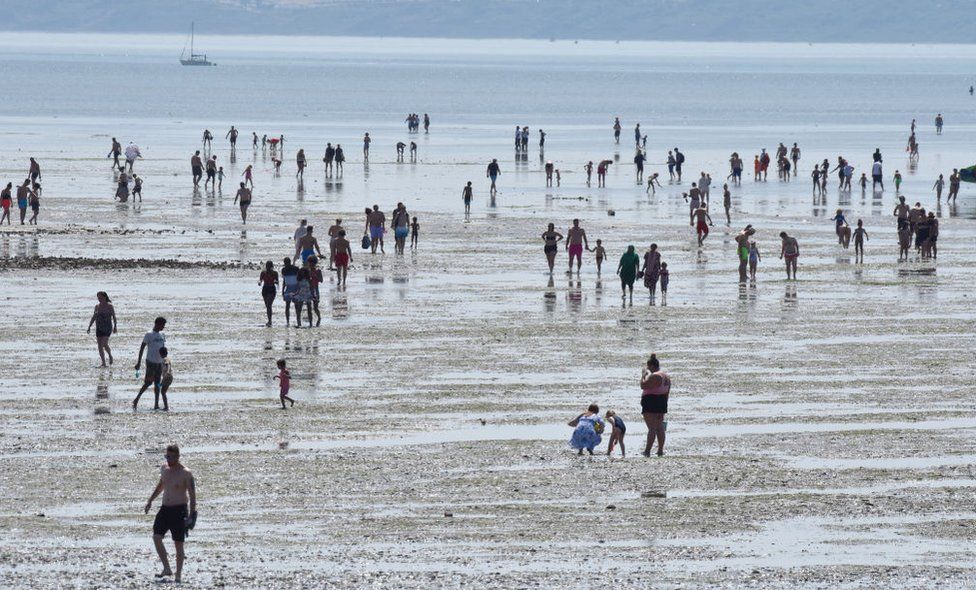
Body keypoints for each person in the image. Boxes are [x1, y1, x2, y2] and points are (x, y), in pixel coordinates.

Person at [144, 444, 196, 584]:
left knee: (178, 543)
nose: (169, 459)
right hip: (165, 509)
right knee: (156, 537)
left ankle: (178, 575)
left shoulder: (186, 473)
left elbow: (192, 495)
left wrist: (191, 515)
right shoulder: (164, 469)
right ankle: (167, 568)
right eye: (167, 456)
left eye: (172, 457)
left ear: (178, 457)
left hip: (179, 510)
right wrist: (150, 500)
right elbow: (161, 485)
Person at [133, 317, 167, 410]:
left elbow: (163, 350)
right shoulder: (149, 334)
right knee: (148, 383)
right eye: (162, 325)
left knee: (157, 384)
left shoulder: (163, 335)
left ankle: (156, 404)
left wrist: (165, 362)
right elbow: (142, 348)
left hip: (159, 363)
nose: (163, 327)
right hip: (151, 362)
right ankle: (136, 399)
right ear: (157, 324)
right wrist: (138, 362)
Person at [640, 354, 670, 457]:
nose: (648, 369)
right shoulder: (666, 376)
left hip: (651, 401)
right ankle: (660, 450)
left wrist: (643, 375)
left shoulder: (656, 375)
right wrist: (664, 405)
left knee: (652, 428)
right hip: (661, 401)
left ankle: (647, 451)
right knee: (659, 427)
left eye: (648, 367)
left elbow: (643, 385)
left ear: (652, 366)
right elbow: (667, 392)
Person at [86, 291, 117, 367]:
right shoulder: (97, 306)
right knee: (100, 346)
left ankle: (110, 355)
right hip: (99, 328)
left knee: (104, 343)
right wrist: (89, 326)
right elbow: (94, 317)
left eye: (101, 297)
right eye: (98, 298)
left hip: (107, 328)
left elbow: (114, 317)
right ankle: (103, 363)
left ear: (105, 297)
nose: (99, 299)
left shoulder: (110, 306)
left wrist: (115, 326)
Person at [259, 261, 278, 327]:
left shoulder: (275, 273)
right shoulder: (263, 273)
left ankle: (270, 321)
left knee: (269, 305)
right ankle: (269, 320)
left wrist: (275, 281)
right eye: (268, 266)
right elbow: (260, 280)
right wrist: (259, 282)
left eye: (269, 266)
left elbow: (277, 281)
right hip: (265, 289)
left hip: (271, 289)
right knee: (267, 306)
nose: (269, 268)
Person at [281, 257, 300, 324]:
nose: (286, 264)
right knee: (288, 305)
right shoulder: (284, 270)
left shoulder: (295, 269)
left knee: (295, 305)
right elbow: (284, 280)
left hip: (294, 288)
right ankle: (288, 321)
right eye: (286, 263)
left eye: (286, 263)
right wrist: (282, 290)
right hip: (289, 288)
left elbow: (298, 279)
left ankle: (297, 320)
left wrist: (283, 291)